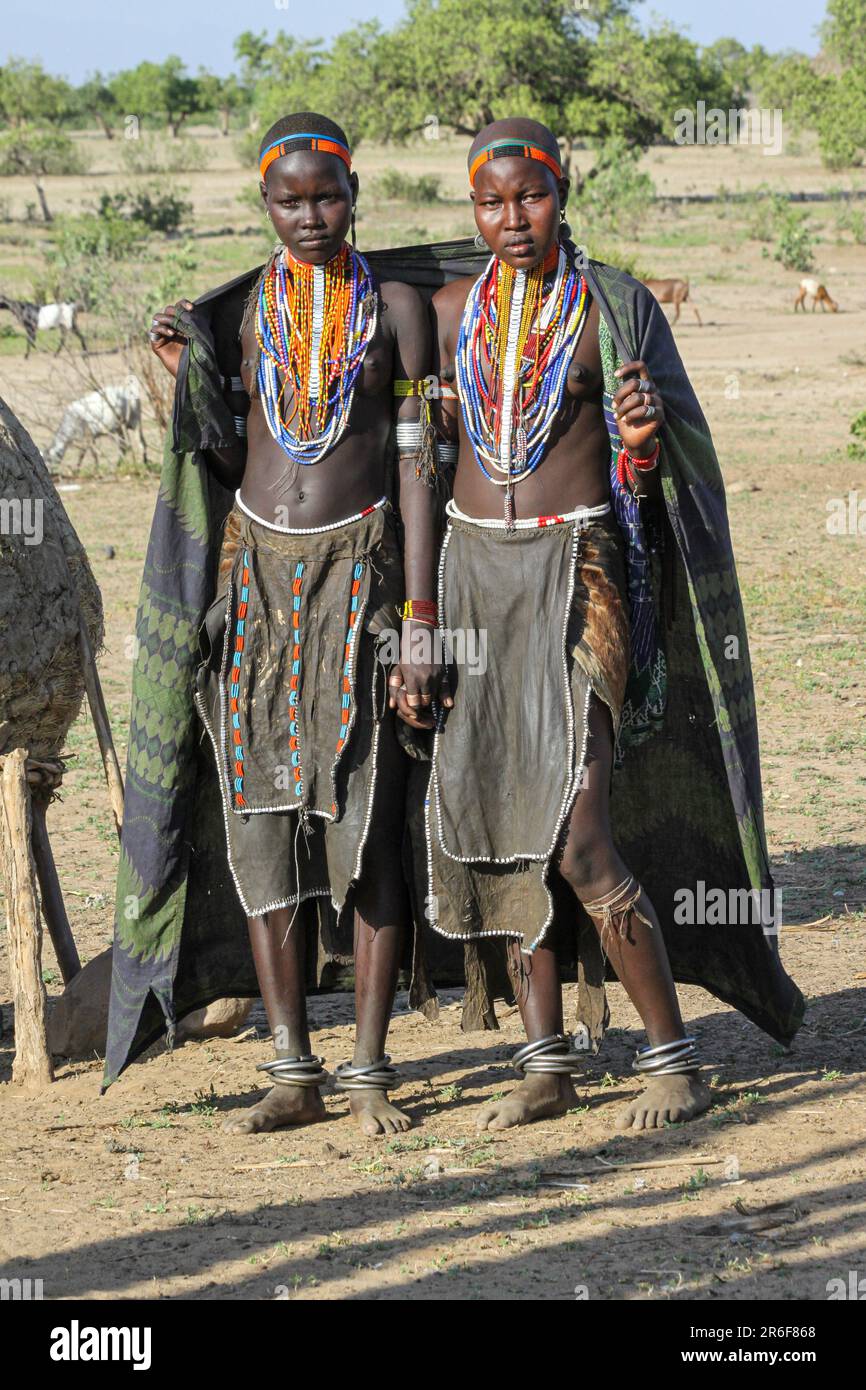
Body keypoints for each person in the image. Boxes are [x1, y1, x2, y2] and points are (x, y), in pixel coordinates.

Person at [426, 117, 802, 1131]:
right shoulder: (454, 311)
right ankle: (543, 1064)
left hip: (581, 573)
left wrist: (638, 449)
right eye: (490, 202)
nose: (512, 218)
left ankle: (671, 1057)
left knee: (578, 834)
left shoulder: (612, 309)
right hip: (473, 582)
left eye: (530, 196)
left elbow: (663, 465)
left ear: (563, 191)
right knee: (507, 833)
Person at [145, 112, 448, 1136]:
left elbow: (416, 467)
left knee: (362, 824)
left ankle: (365, 1065)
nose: (310, 216)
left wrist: (417, 617)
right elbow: (219, 456)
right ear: (263, 205)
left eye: (327, 196)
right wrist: (179, 368)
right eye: (289, 200)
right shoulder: (240, 318)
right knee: (262, 824)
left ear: (354, 191)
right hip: (256, 583)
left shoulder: (399, 311)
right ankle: (291, 1067)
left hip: (361, 578)